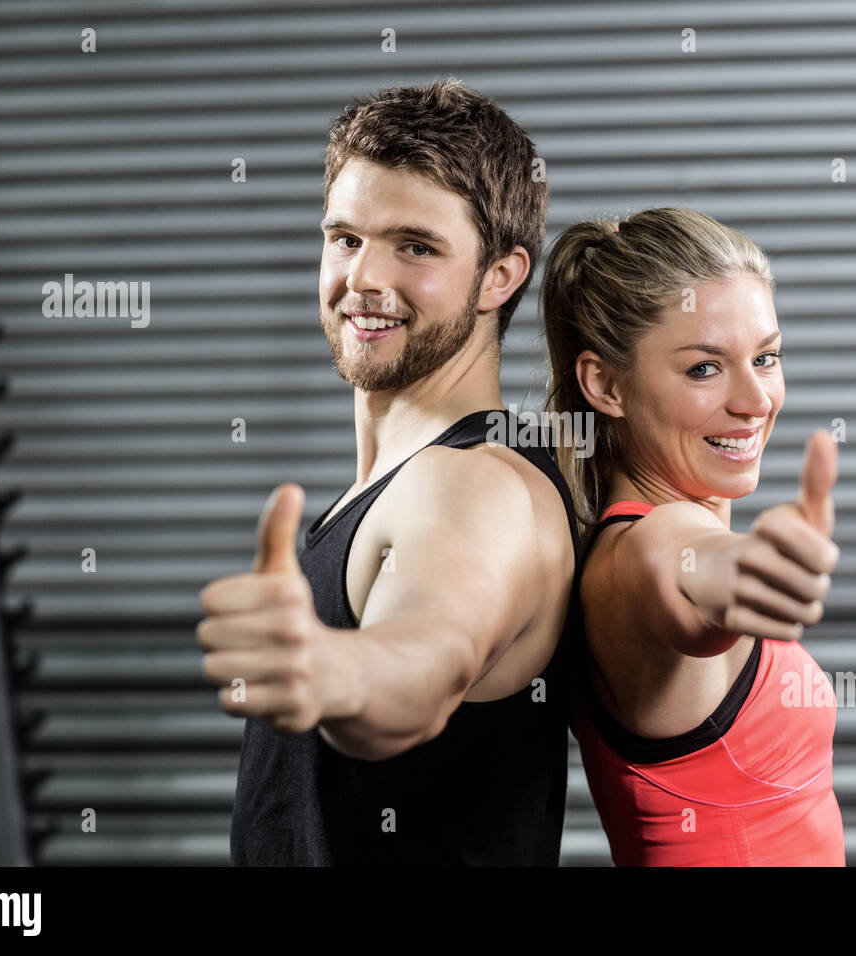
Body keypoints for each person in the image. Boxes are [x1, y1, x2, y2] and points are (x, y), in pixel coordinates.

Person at [196, 79, 581, 865]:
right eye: (345, 239)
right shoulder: (389, 486)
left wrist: (336, 672)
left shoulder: (474, 487)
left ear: (502, 275)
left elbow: (424, 661)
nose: (363, 279)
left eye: (415, 245)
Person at [541, 207, 845, 866]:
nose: (755, 399)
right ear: (605, 384)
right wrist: (749, 570)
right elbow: (685, 572)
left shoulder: (610, 543)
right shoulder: (638, 552)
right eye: (705, 368)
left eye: (765, 357)